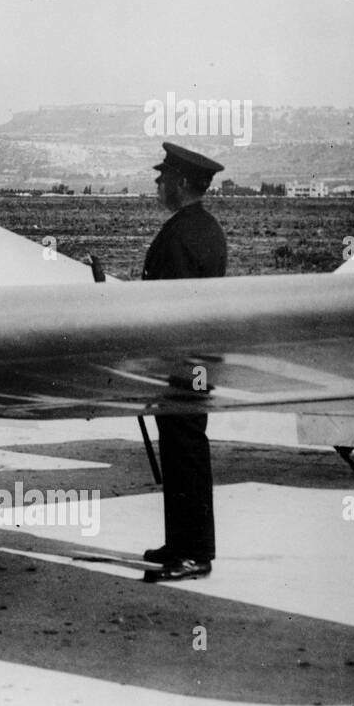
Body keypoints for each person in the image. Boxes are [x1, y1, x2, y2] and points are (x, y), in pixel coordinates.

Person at [141, 141, 227, 583]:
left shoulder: (180, 235)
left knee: (186, 455)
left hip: (182, 364)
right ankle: (182, 543)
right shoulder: (203, 228)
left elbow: (170, 310)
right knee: (181, 453)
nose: (156, 183)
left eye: (162, 177)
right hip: (195, 363)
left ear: (179, 183)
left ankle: (194, 552)